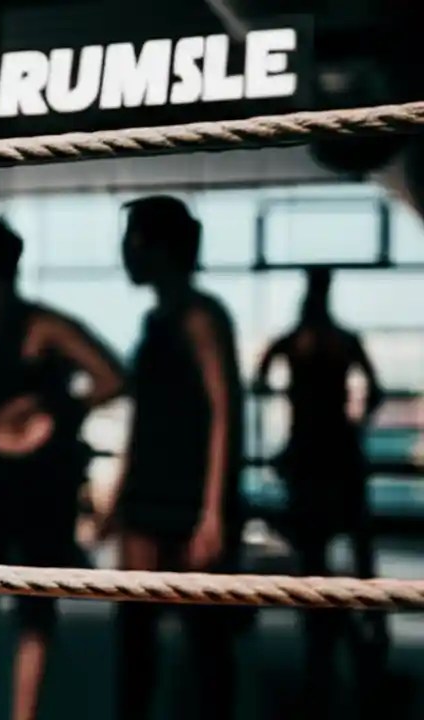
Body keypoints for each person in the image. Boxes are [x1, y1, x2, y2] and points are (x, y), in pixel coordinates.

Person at [0, 216, 124, 720]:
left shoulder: (46, 327)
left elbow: (111, 377)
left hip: (43, 478)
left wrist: (51, 411)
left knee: (33, 607)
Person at [102, 195, 245, 720]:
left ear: (151, 246)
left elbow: (225, 412)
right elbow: (143, 416)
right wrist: (118, 494)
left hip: (188, 500)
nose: (124, 255)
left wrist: (214, 512)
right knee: (135, 638)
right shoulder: (155, 321)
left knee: (204, 642)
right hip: (148, 495)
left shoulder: (201, 316)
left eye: (130, 242)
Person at [255, 267, 386, 712]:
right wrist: (353, 423)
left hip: (311, 458)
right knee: (348, 557)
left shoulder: (295, 342)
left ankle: (336, 645)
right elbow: (377, 392)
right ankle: (357, 640)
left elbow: (257, 381)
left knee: (319, 561)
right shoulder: (338, 341)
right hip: (337, 456)